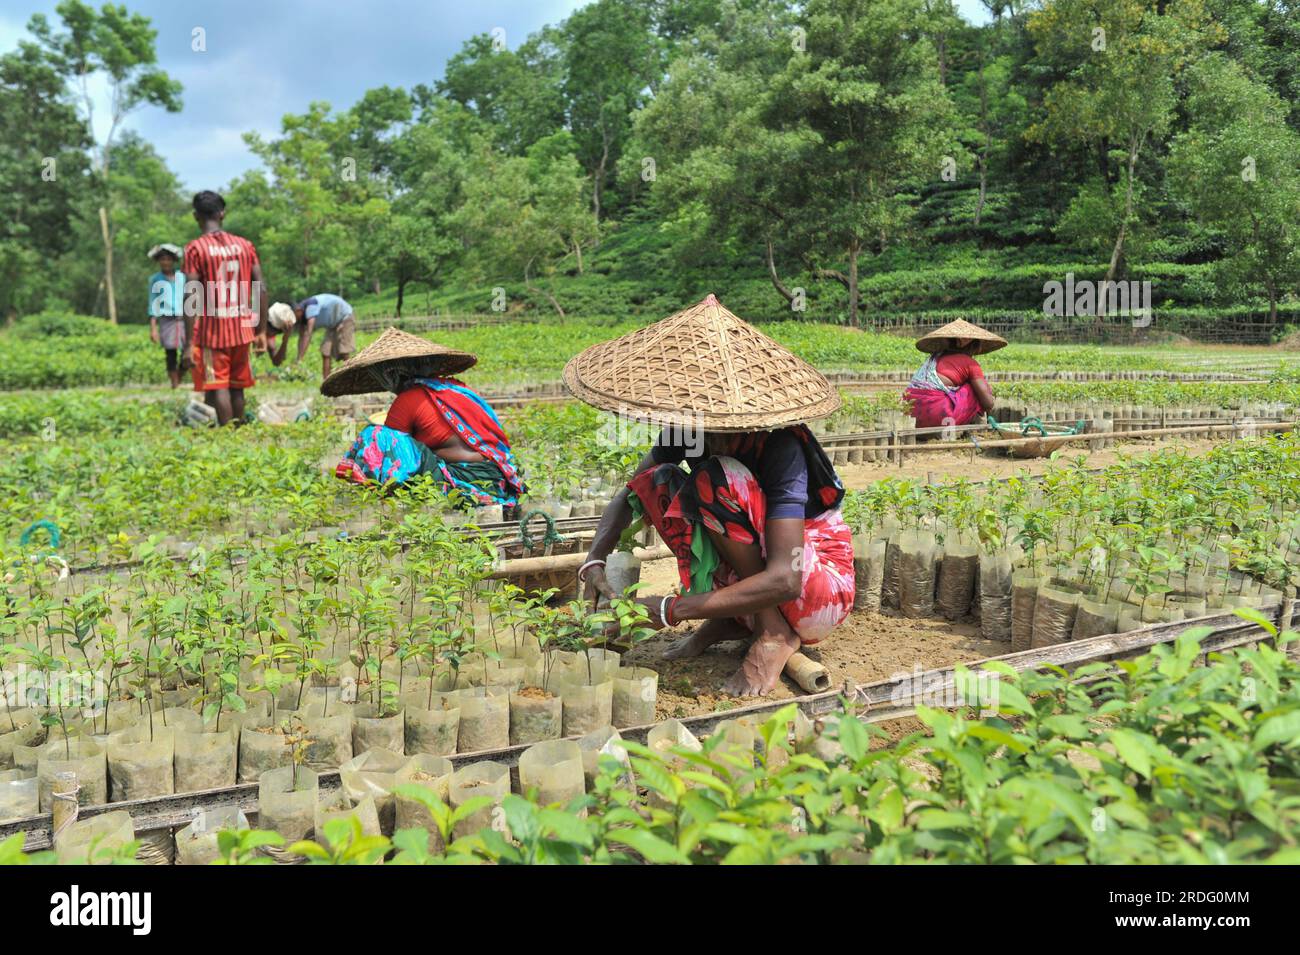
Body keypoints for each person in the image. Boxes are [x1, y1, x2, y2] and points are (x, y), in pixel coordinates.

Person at [570, 294, 855, 697]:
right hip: (762, 580)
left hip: (818, 590)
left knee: (716, 478)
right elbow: (630, 493)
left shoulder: (781, 447)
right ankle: (733, 618)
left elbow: (786, 579)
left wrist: (671, 609)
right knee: (659, 480)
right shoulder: (688, 428)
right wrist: (594, 559)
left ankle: (772, 632)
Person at [322, 327, 525, 506]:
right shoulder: (457, 389)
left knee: (376, 436)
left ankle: (392, 504)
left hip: (463, 483)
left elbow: (394, 450)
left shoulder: (409, 398)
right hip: (497, 480)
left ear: (392, 374)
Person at [183, 191, 268, 425]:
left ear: (195, 216)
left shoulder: (195, 249)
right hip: (243, 327)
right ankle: (240, 431)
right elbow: (260, 287)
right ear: (223, 214)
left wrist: (189, 342)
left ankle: (228, 436)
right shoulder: (245, 246)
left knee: (218, 384)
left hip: (214, 331)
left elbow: (191, 294)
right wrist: (260, 330)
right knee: (237, 387)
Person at [902, 318, 1006, 430]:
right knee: (979, 389)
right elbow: (988, 404)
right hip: (937, 416)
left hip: (910, 414)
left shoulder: (934, 358)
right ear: (973, 344)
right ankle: (975, 427)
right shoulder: (970, 364)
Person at [146, 243, 187, 388]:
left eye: (168, 259)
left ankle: (180, 376)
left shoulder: (183, 277)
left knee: (187, 351)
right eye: (162, 259)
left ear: (173, 261)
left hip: (184, 319)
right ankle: (174, 382)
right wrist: (153, 329)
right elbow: (153, 304)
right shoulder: (155, 280)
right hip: (167, 320)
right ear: (159, 261)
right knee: (170, 353)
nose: (165, 262)